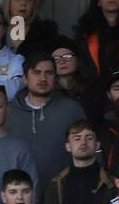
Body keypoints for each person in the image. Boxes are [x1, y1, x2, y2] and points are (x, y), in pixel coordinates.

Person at [5, 51, 85, 181]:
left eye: (49, 73)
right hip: (19, 193)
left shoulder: (71, 109)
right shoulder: (8, 112)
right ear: (24, 78)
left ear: (56, 78)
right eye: (36, 73)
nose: (43, 78)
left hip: (63, 190)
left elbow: (86, 151)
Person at [41, 119, 110, 204]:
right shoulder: (56, 185)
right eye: (77, 138)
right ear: (68, 146)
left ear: (97, 145)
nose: (83, 142)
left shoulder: (111, 184)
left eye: (89, 138)